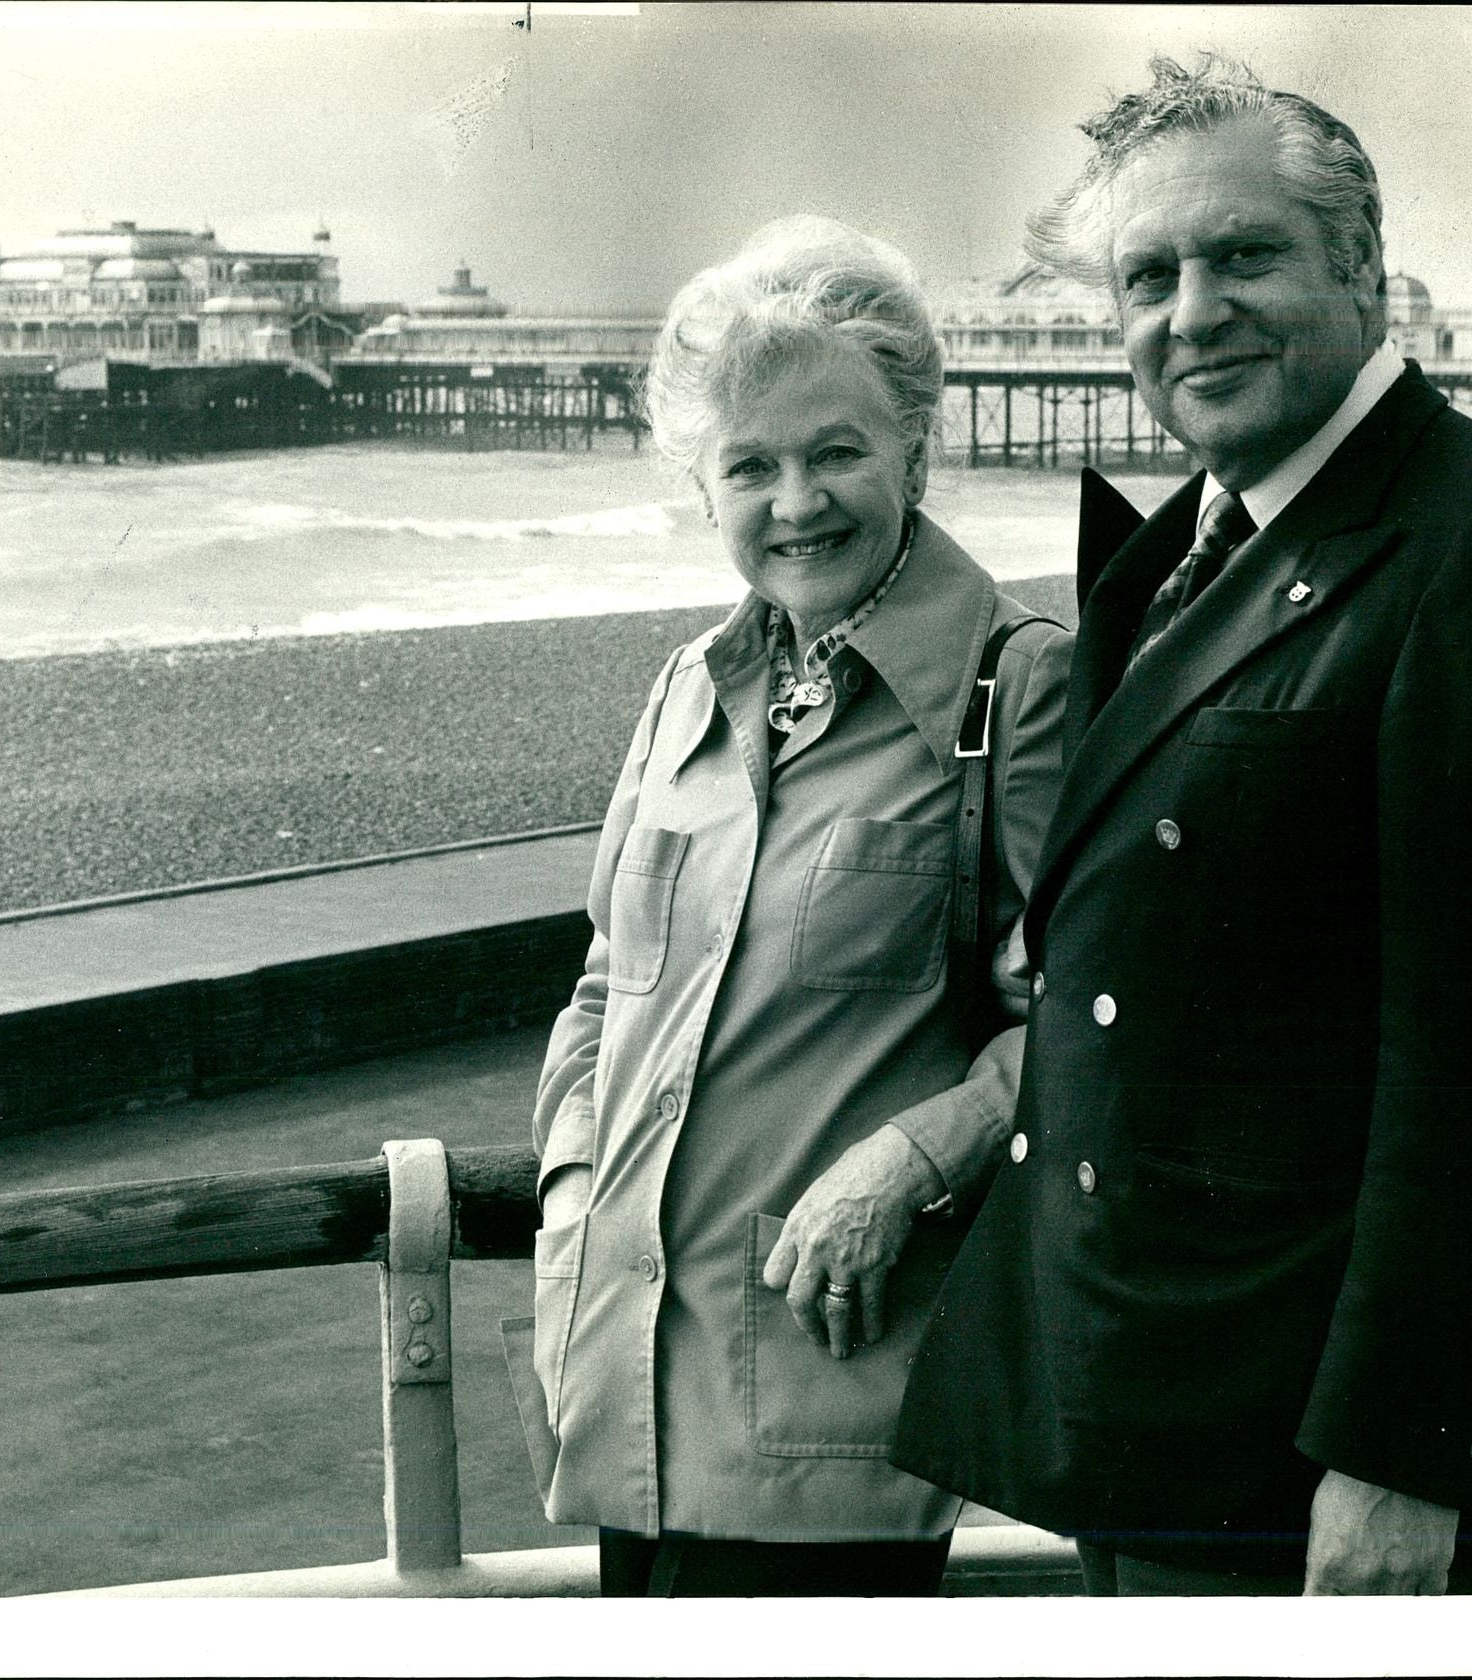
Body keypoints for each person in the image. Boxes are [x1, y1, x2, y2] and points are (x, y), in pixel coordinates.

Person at [892, 55, 1472, 1597]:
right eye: (1148, 277)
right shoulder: (1181, 548)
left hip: (1302, 1448)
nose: (1193, 313)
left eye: (1245, 256)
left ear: (1363, 266)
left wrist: (1401, 1451)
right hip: (1140, 1389)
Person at [527, 216, 1072, 1596]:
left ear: (917, 451)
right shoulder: (685, 691)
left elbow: (1100, 1022)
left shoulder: (1023, 691)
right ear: (701, 483)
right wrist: (573, 1189)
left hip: (823, 1399)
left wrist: (910, 1161)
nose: (796, 503)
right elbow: (601, 989)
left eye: (837, 453)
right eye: (750, 467)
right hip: (624, 1376)